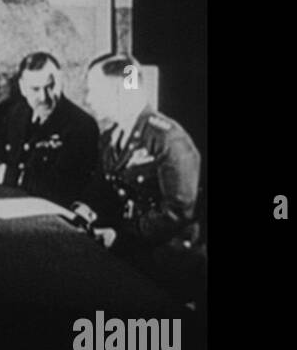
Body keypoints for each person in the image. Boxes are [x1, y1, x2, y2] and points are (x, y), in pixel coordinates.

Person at [72, 53, 204, 303]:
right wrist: (85, 209)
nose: (88, 100)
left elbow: (177, 212)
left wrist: (121, 237)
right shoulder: (111, 137)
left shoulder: (167, 138)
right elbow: (103, 187)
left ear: (121, 91)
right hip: (129, 254)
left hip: (167, 264)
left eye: (94, 91)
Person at [0, 52, 99, 207]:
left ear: (60, 82)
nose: (43, 97)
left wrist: (6, 174)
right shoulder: (17, 114)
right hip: (10, 204)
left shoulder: (81, 125)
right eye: (35, 89)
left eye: (50, 87)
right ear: (22, 87)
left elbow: (64, 189)